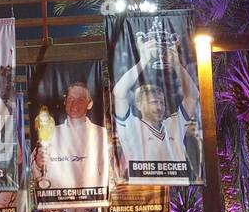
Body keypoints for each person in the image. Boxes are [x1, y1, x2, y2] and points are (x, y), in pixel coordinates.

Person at [112, 36, 200, 181]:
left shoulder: (173, 123)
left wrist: (176, 64)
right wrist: (143, 62)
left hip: (178, 193)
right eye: (154, 102)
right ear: (139, 105)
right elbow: (119, 93)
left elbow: (192, 95)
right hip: (144, 194)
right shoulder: (131, 125)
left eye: (162, 102)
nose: (160, 107)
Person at [33, 80, 109, 193]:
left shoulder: (102, 134)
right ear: (65, 102)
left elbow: (109, 175)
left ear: (89, 104)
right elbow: (33, 176)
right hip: (58, 204)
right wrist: (38, 166)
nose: (74, 104)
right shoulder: (49, 134)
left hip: (91, 203)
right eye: (70, 99)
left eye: (80, 100)